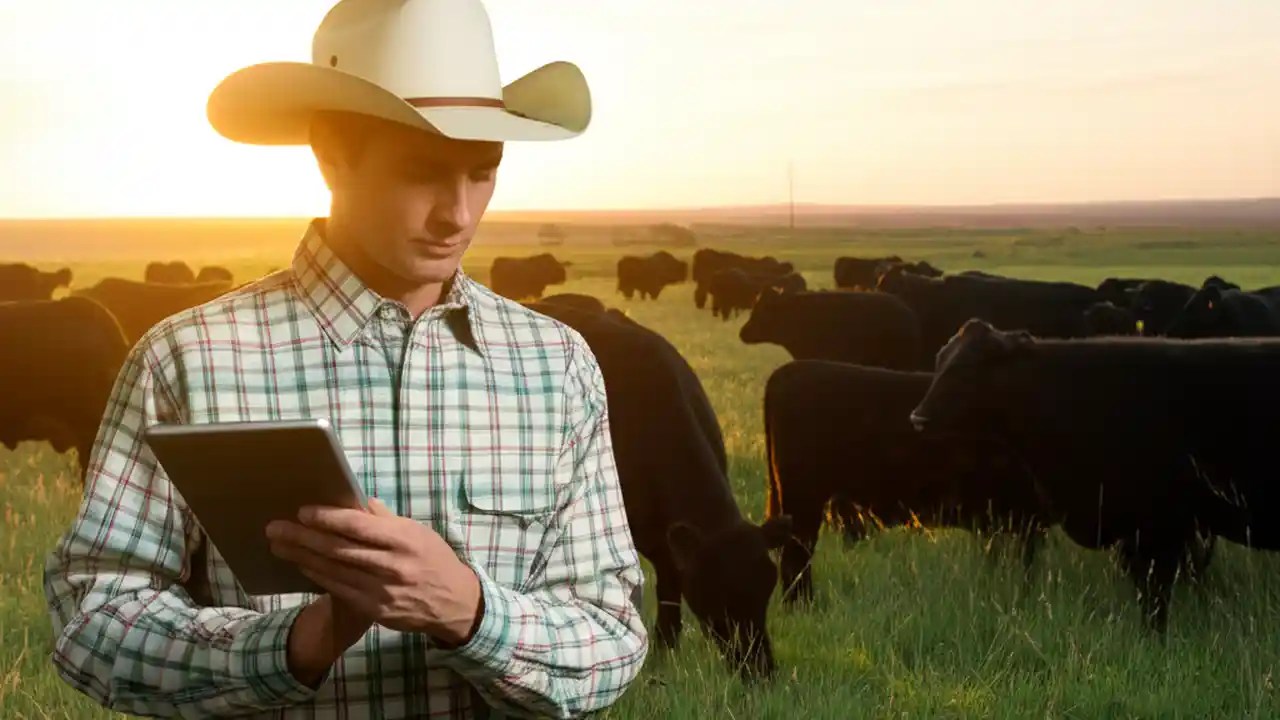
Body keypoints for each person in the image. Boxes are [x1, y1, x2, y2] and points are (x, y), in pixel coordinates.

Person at [42, 0, 648, 717]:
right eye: (422, 172)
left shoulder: (558, 367)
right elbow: (93, 620)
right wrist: (297, 642)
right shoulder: (186, 360)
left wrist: (472, 613)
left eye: (482, 172)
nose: (458, 214)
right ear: (331, 153)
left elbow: (612, 635)